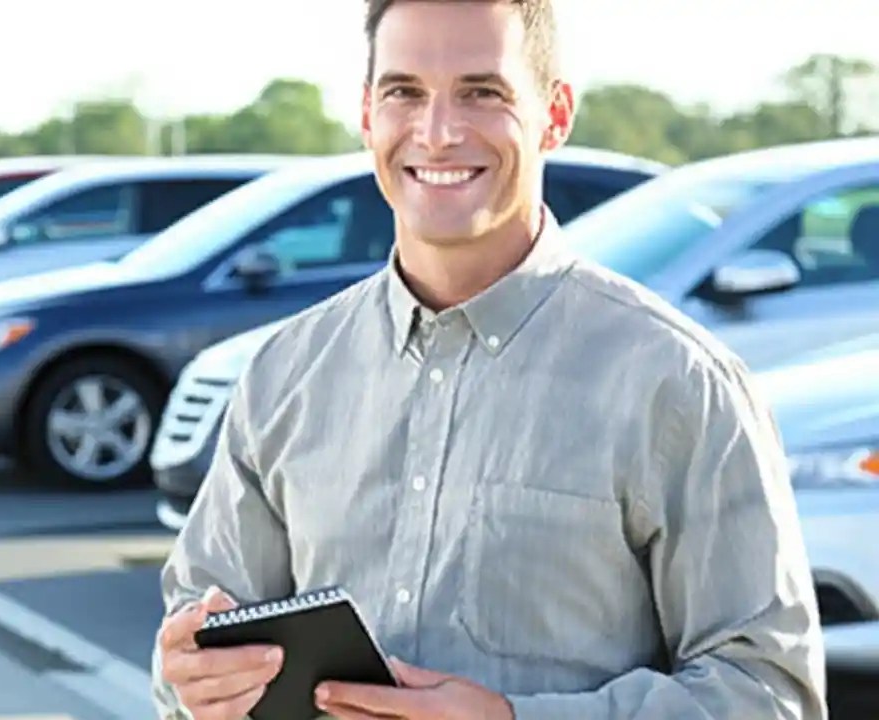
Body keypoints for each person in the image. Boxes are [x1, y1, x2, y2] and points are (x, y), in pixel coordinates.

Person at [152, 0, 828, 718]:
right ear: (366, 114)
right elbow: (194, 647)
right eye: (404, 92)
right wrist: (189, 683)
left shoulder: (680, 382)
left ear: (555, 115)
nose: (437, 133)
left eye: (483, 92)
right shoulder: (285, 371)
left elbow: (767, 696)